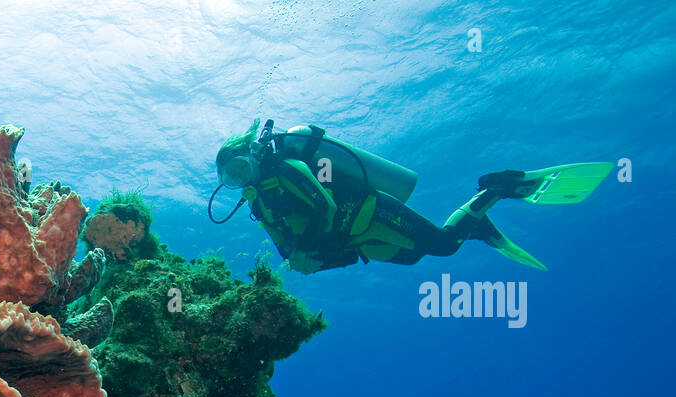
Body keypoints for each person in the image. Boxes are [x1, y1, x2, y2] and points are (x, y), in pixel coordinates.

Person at [210, 118, 611, 273]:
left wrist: (308, 250)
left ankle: (499, 189)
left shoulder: (288, 169)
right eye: (231, 177)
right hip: (362, 240)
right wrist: (306, 261)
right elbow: (288, 248)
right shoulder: (257, 202)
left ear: (254, 155)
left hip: (370, 211)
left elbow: (325, 206)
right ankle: (476, 223)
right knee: (418, 255)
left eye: (242, 166)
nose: (241, 177)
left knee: (442, 246)